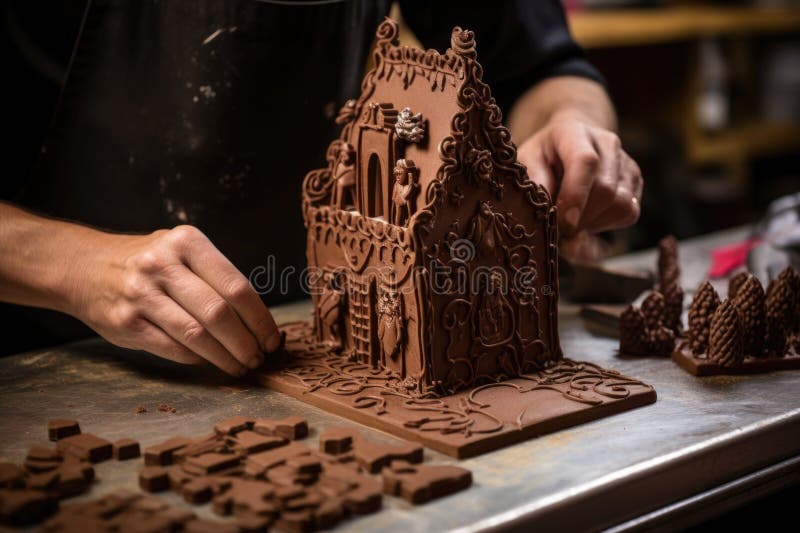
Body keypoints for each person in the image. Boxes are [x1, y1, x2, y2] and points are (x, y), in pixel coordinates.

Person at [0, 0, 642, 375]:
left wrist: (571, 127)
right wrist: (78, 266)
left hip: (297, 332)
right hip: (40, 352)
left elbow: (545, 69)